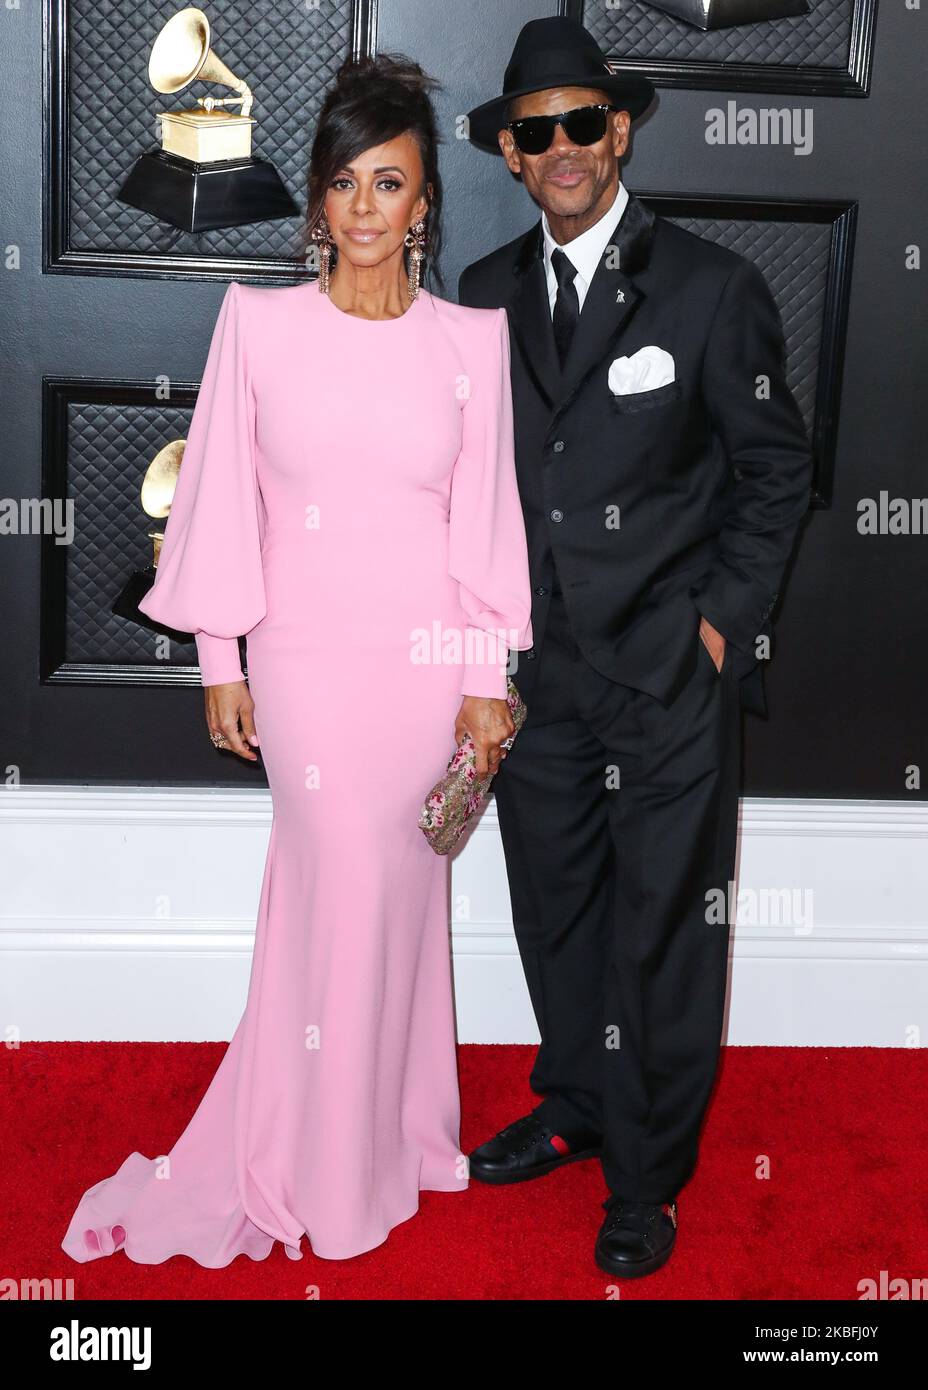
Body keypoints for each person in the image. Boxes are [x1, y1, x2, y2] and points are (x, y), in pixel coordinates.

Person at [60, 53, 533, 1266]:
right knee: (339, 892)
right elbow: (220, 502)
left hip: (428, 666)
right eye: (346, 184)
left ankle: (402, 1132)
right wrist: (222, 657)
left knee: (405, 900)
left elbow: (481, 523)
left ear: (425, 203)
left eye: (392, 184)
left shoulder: (469, 343)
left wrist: (485, 681)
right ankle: (324, 1166)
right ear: (318, 198)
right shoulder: (258, 326)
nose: (367, 210)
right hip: (310, 668)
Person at [459, 16, 812, 1278]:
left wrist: (721, 627)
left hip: (667, 677)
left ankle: (649, 1174)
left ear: (618, 129)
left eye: (581, 121)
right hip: (536, 676)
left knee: (663, 925)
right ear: (509, 151)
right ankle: (579, 1101)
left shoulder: (713, 286)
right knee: (556, 912)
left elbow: (776, 471)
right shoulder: (482, 296)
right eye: (533, 128)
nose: (561, 146)